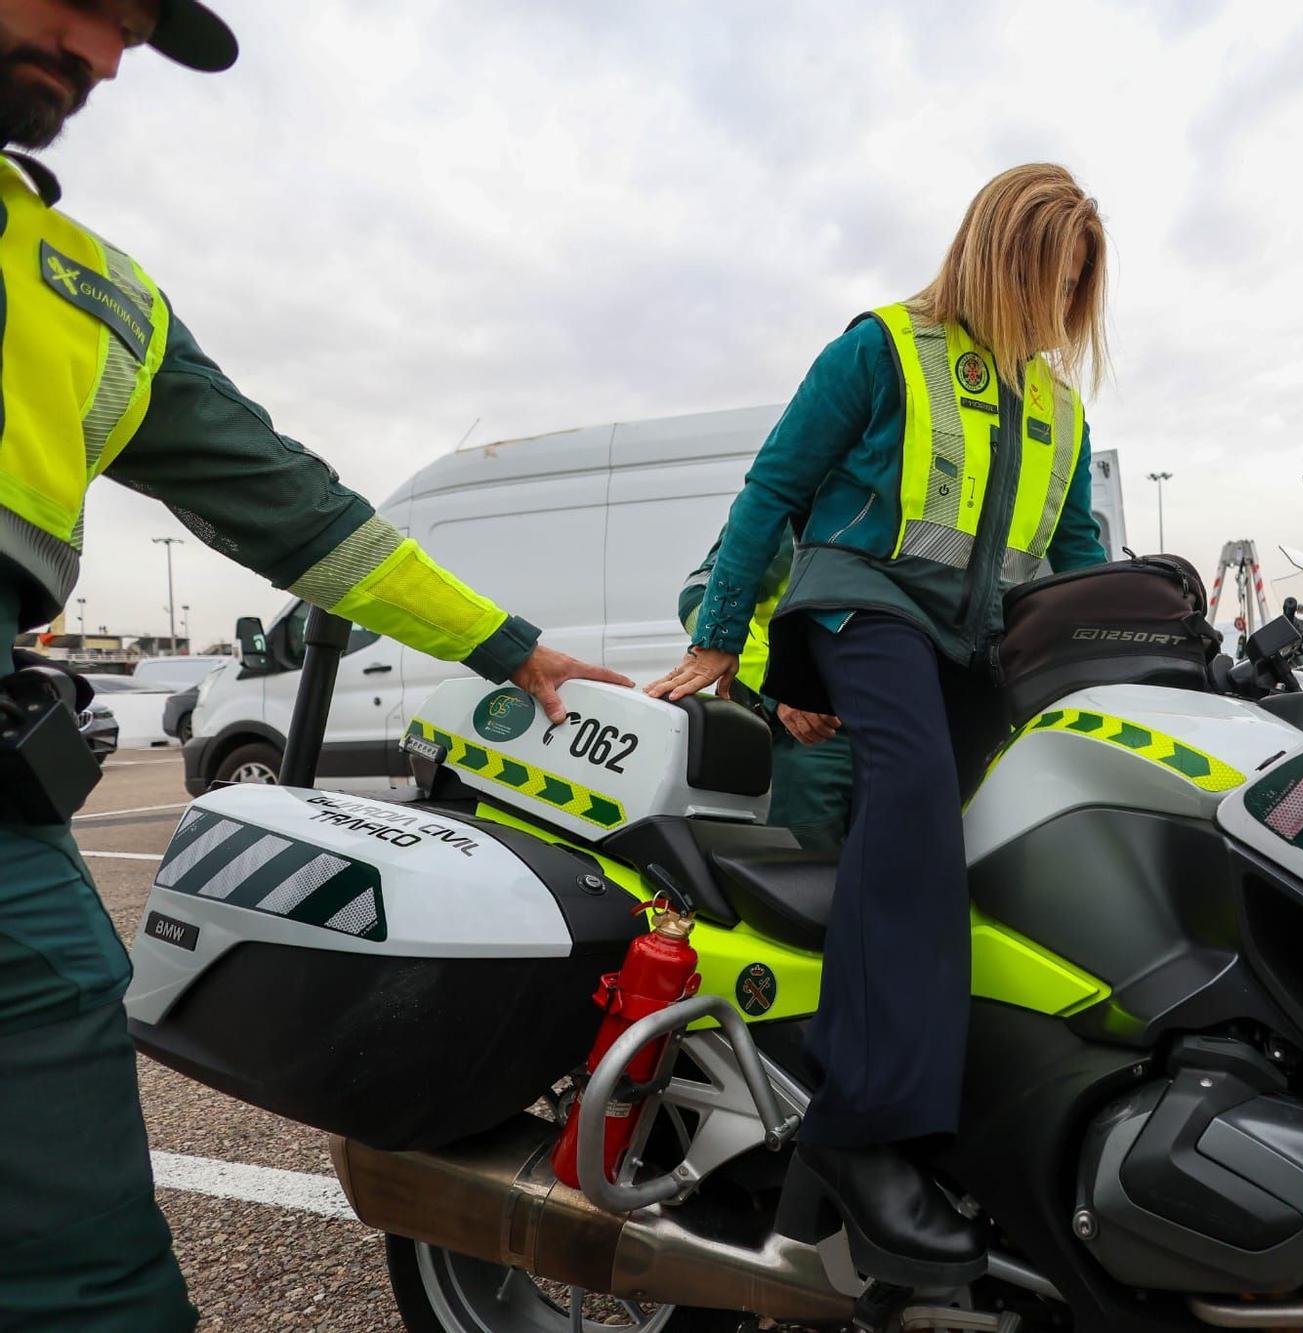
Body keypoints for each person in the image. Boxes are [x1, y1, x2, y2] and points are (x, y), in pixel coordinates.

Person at [0, 5, 628, 1326]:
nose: (108, 57)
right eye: (96, 5)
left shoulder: (85, 290)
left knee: (85, 1260)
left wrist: (512, 649)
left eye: (132, 34)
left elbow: (295, 508)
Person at [645, 163, 1109, 1286]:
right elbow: (772, 487)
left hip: (973, 640)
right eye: (1048, 276)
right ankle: (863, 1131)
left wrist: (1108, 674)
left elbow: (1080, 552)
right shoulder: (882, 348)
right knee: (904, 800)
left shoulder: (1059, 406)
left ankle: (977, 1099)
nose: (1059, 306)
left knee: (1008, 829)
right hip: (862, 604)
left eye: (1077, 285)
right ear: (999, 256)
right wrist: (719, 639)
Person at [680, 528, 853, 850]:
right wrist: (788, 684)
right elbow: (700, 596)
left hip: (907, 726)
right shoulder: (802, 493)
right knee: (808, 878)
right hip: (815, 733)